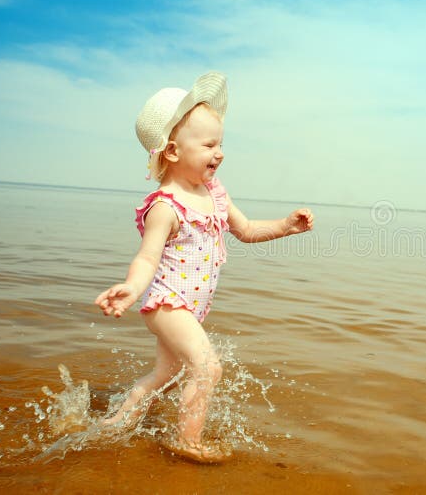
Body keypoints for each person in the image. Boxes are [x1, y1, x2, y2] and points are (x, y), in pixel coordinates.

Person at [94, 72, 314, 463]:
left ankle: (115, 422)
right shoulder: (165, 206)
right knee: (207, 367)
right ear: (174, 152)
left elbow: (245, 230)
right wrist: (131, 287)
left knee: (166, 376)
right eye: (210, 144)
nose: (220, 152)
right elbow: (147, 257)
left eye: (221, 143)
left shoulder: (214, 193)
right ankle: (187, 442)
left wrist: (285, 226)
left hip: (190, 308)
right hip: (166, 304)